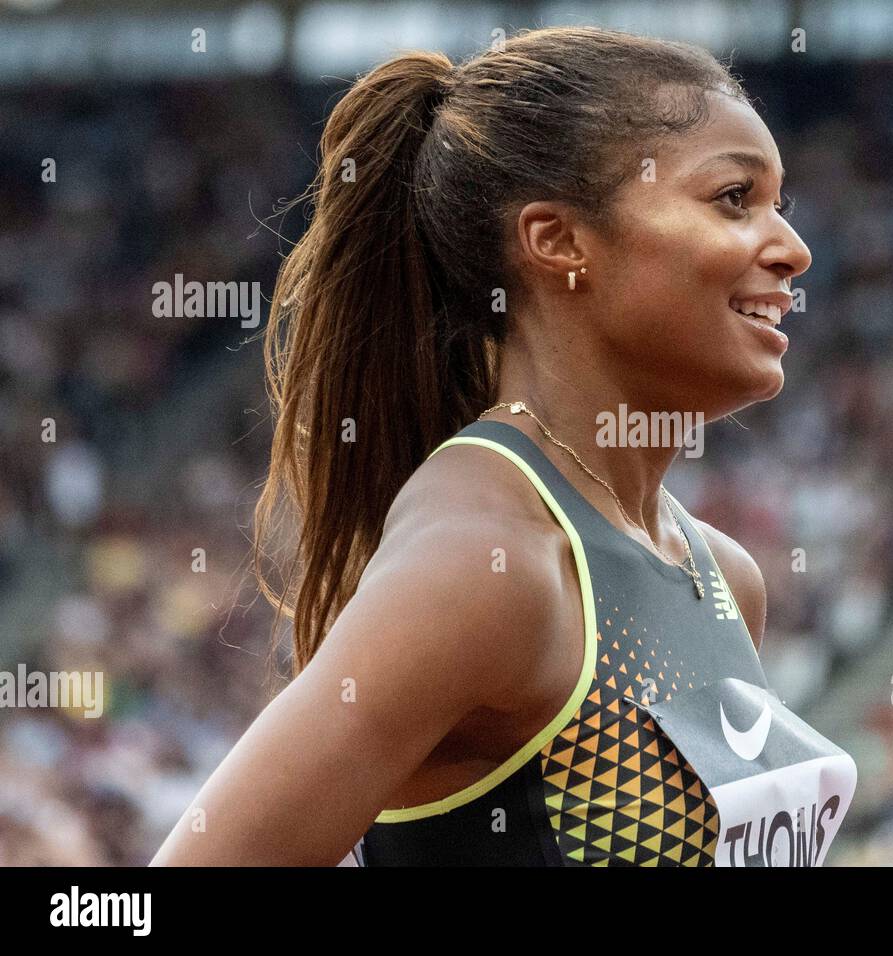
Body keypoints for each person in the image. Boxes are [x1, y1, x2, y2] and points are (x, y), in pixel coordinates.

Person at [152, 25, 855, 867]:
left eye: (781, 204)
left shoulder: (725, 579)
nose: (792, 247)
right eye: (734, 199)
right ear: (557, 242)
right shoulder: (489, 562)